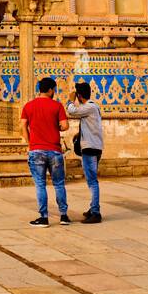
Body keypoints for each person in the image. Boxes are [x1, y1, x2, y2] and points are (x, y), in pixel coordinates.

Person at [20, 76, 69, 226]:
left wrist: (30, 143)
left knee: (40, 184)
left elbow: (22, 126)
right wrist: (57, 127)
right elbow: (65, 125)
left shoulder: (28, 106)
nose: (54, 92)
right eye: (53, 89)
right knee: (59, 184)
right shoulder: (57, 106)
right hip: (54, 150)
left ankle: (43, 217)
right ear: (50, 90)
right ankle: (64, 216)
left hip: (36, 150)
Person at [66, 81, 104, 223]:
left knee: (92, 181)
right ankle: (93, 207)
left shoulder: (90, 107)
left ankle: (96, 212)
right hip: (94, 146)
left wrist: (70, 100)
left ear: (80, 95)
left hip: (90, 148)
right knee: (92, 180)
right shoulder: (92, 107)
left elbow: (71, 111)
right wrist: (79, 133)